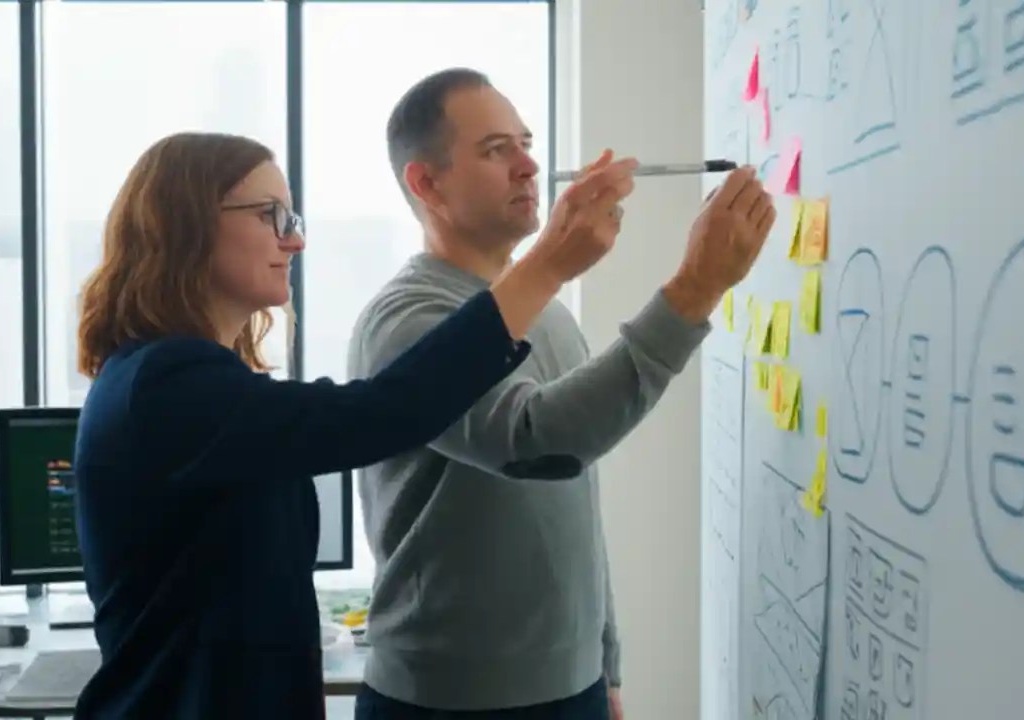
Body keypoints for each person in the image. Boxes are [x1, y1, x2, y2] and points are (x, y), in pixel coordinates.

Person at [68, 130, 638, 718]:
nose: (295, 240)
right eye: (271, 215)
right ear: (183, 223)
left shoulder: (182, 378)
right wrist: (547, 266)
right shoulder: (166, 385)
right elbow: (383, 412)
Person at [348, 68, 774, 719]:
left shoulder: (544, 309)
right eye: (496, 150)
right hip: (449, 701)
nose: (529, 165)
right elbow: (540, 444)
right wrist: (695, 287)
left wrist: (604, 662)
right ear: (426, 183)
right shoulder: (404, 318)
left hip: (572, 688)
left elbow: (578, 494)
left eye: (525, 142)